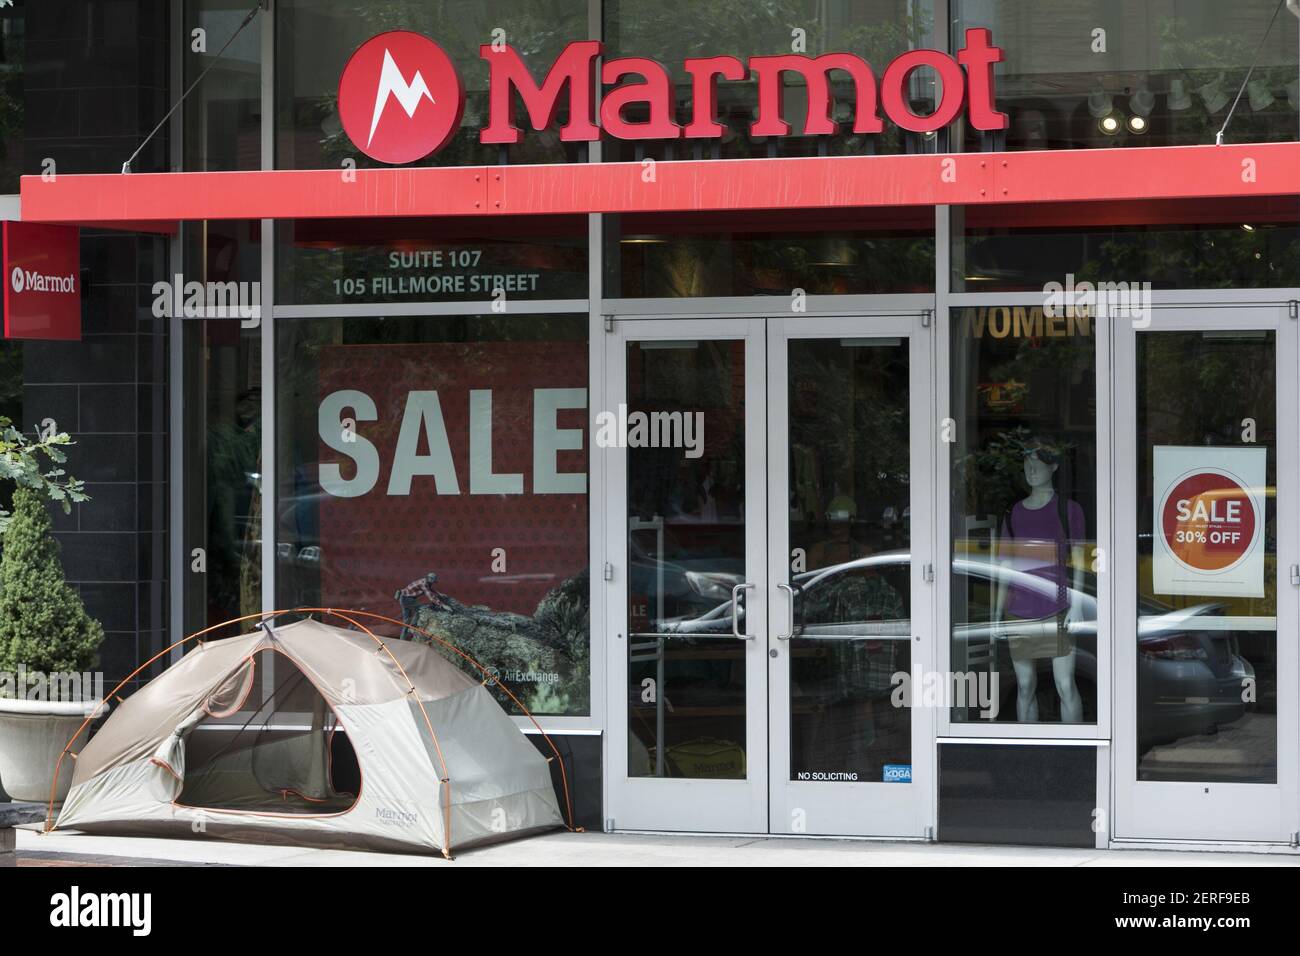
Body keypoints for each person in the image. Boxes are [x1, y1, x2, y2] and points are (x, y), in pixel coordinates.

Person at [395, 571, 447, 641]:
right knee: (420, 609)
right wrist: (442, 605)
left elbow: (430, 589)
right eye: (432, 581)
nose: (432, 583)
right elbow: (430, 595)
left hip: (404, 598)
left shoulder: (426, 581)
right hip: (407, 599)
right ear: (429, 578)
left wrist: (439, 594)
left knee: (406, 621)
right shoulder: (424, 583)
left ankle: (402, 639)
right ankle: (412, 627)